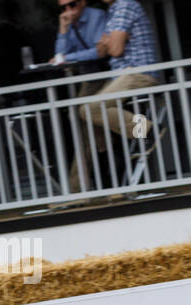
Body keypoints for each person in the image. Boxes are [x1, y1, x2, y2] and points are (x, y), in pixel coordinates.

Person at [70, 0, 162, 191]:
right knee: (86, 116)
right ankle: (98, 184)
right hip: (121, 76)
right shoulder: (113, 10)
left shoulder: (125, 5)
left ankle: (148, 130)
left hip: (136, 73)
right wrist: (109, 41)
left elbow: (114, 49)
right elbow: (101, 50)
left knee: (90, 109)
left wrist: (109, 42)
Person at [53, 0, 108, 66]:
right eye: (63, 7)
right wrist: (63, 29)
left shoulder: (97, 16)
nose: (68, 9)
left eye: (72, 4)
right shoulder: (66, 21)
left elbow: (99, 51)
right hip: (83, 69)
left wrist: (67, 58)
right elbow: (60, 56)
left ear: (82, 2)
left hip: (104, 67)